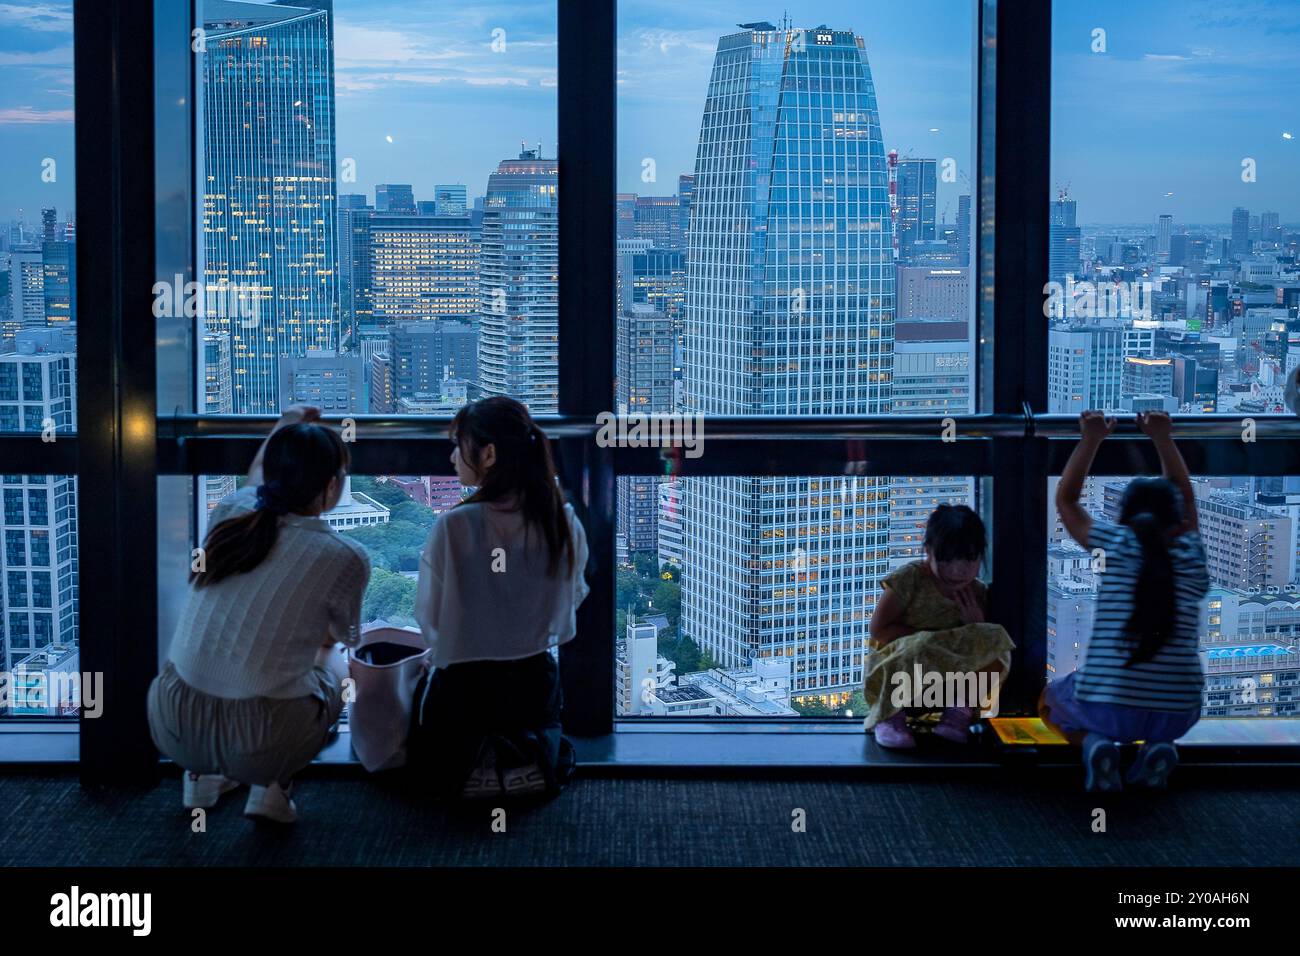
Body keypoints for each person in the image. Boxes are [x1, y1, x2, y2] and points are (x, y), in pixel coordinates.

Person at [147, 406, 370, 823]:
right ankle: (272, 788)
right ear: (333, 486)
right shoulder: (343, 556)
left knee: (227, 654)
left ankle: (202, 778)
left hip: (172, 720)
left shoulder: (232, 512)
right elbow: (334, 638)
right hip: (264, 739)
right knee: (334, 661)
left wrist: (286, 424)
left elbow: (255, 480)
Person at [409, 397, 589, 799]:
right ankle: (525, 761)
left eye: (460, 444)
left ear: (488, 454)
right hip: (532, 684)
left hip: (462, 691)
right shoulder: (562, 521)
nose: (453, 456)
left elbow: (429, 617)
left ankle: (471, 766)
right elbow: (570, 599)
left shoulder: (454, 526)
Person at [1043, 410, 1209, 792]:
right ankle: (1158, 747)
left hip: (1108, 711)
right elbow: (1185, 495)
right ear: (1179, 521)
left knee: (1049, 702)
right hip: (1179, 712)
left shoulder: (1116, 545)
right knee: (1154, 705)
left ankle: (1096, 745)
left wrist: (1091, 438)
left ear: (1124, 517)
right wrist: (1163, 437)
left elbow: (1067, 501)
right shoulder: (1190, 553)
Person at [864, 504, 1015, 748]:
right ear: (927, 551)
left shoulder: (975, 593)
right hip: (901, 679)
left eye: (969, 558)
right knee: (923, 644)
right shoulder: (910, 579)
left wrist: (976, 627)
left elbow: (984, 648)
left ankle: (958, 713)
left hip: (945, 688)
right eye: (946, 559)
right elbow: (879, 630)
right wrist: (932, 641)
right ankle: (890, 716)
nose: (957, 569)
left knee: (995, 640)